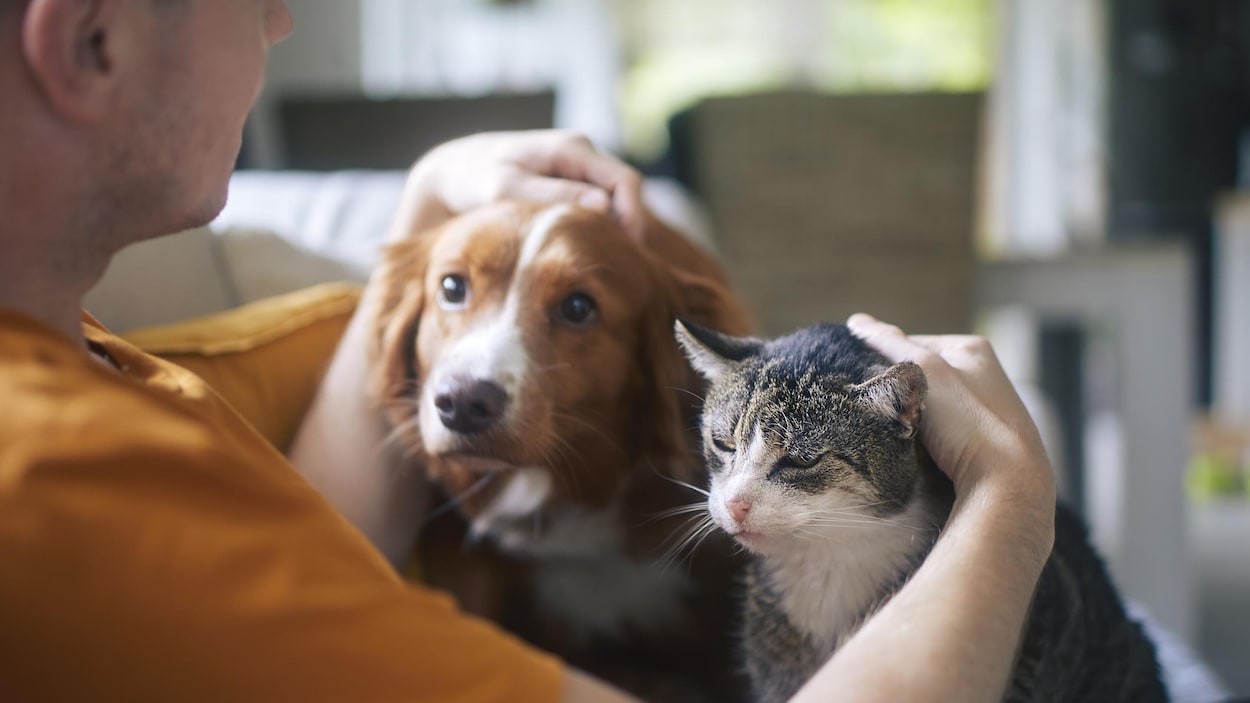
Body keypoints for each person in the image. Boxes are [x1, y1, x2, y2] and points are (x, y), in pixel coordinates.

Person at [0, 1, 1056, 701]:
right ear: (92, 39)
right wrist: (1008, 498)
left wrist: (429, 214)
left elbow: (311, 557)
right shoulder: (57, 488)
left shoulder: (67, 355)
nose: (280, 18)